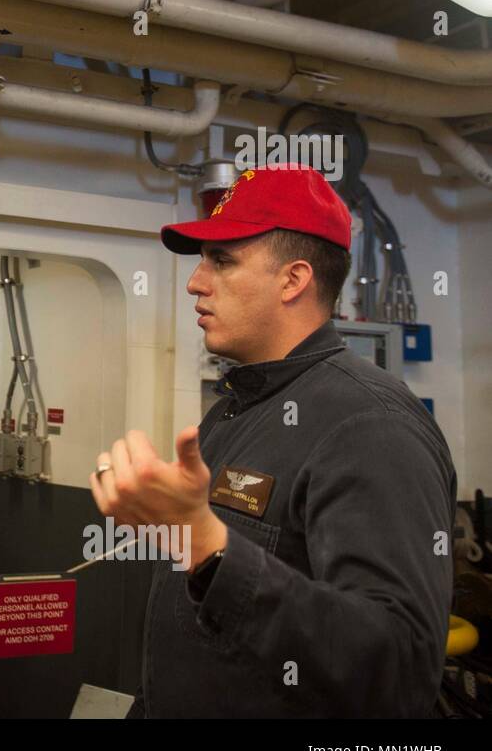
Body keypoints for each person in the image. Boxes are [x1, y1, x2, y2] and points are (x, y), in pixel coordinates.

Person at [89, 163, 455, 718]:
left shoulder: (370, 425)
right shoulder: (238, 409)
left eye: (224, 260)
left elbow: (399, 670)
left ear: (293, 279)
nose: (195, 281)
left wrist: (204, 545)